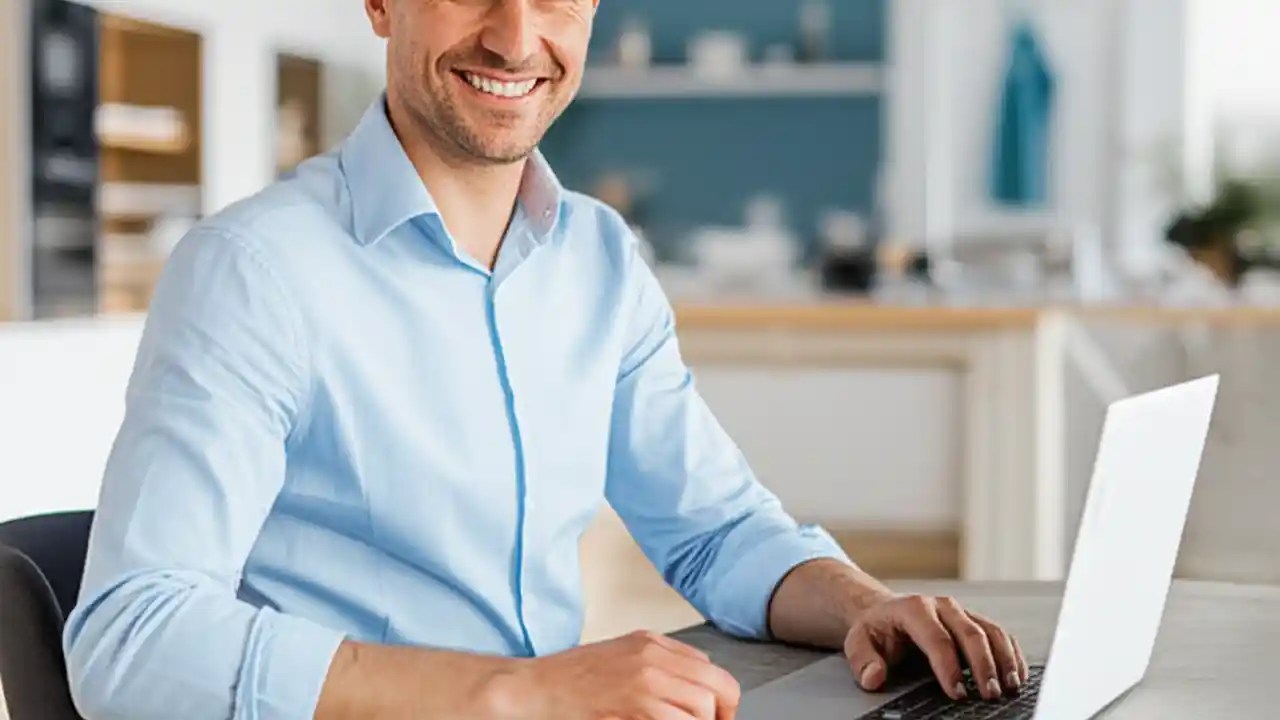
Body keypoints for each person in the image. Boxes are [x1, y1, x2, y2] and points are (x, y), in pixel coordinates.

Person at [64, 1, 1028, 718]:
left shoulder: (599, 260)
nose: (518, 37)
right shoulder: (254, 273)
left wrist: (865, 606)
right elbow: (133, 639)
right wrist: (519, 695)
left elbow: (716, 531)